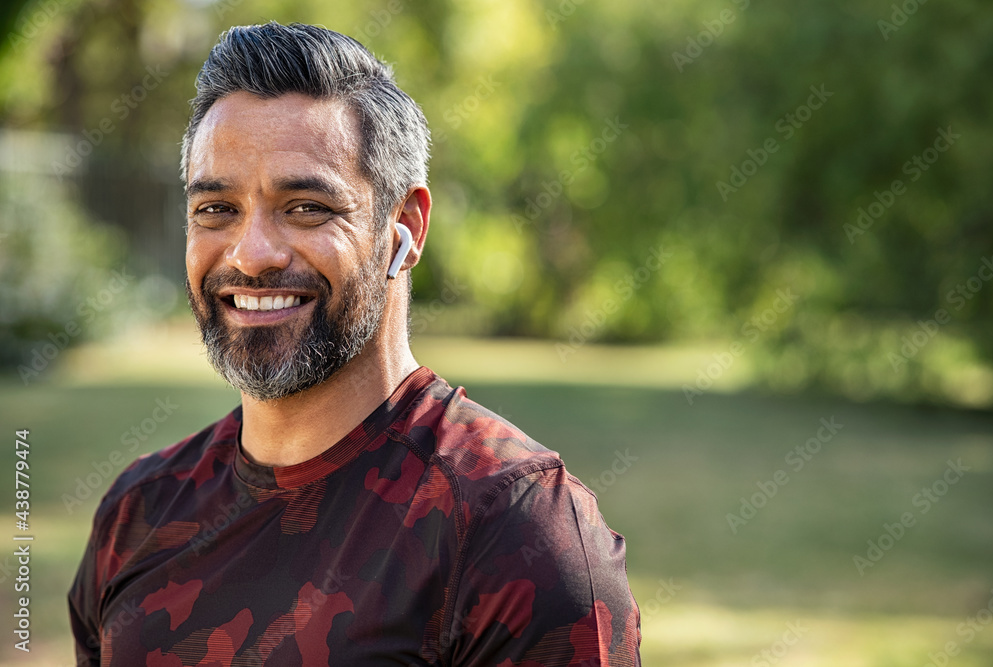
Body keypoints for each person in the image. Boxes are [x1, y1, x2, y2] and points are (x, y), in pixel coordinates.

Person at [69, 22, 640, 666]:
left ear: (406, 226)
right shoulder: (138, 511)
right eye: (216, 209)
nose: (252, 255)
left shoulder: (517, 532)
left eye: (307, 207)